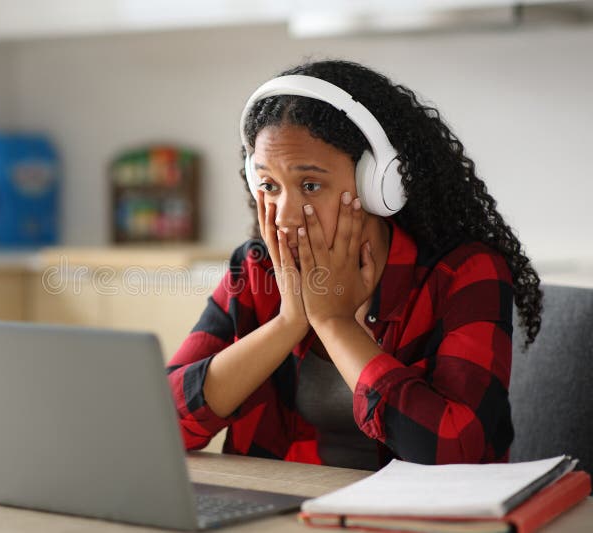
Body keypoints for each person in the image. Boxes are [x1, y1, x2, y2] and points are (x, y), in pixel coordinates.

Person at [166, 59, 543, 470]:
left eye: (310, 185)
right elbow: (162, 422)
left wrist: (335, 324)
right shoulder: (259, 268)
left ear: (379, 183)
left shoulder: (464, 273)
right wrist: (288, 324)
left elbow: (456, 450)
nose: (284, 216)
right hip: (292, 509)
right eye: (269, 186)